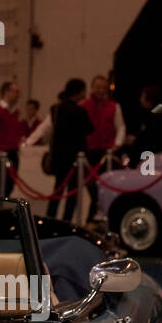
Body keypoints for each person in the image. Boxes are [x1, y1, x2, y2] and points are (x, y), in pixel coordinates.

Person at [25, 80, 94, 221]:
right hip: (75, 159)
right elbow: (90, 129)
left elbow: (45, 128)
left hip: (59, 158)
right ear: (79, 91)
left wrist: (28, 142)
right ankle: (66, 221)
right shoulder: (80, 111)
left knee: (57, 190)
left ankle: (50, 218)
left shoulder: (55, 108)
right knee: (72, 193)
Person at [81, 75, 125, 219]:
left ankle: (97, 215)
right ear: (92, 88)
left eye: (103, 87)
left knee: (106, 187)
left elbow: (121, 127)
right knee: (92, 186)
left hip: (107, 154)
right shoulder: (83, 106)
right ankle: (94, 214)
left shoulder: (114, 106)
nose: (100, 90)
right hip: (88, 153)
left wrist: (117, 144)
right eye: (97, 87)